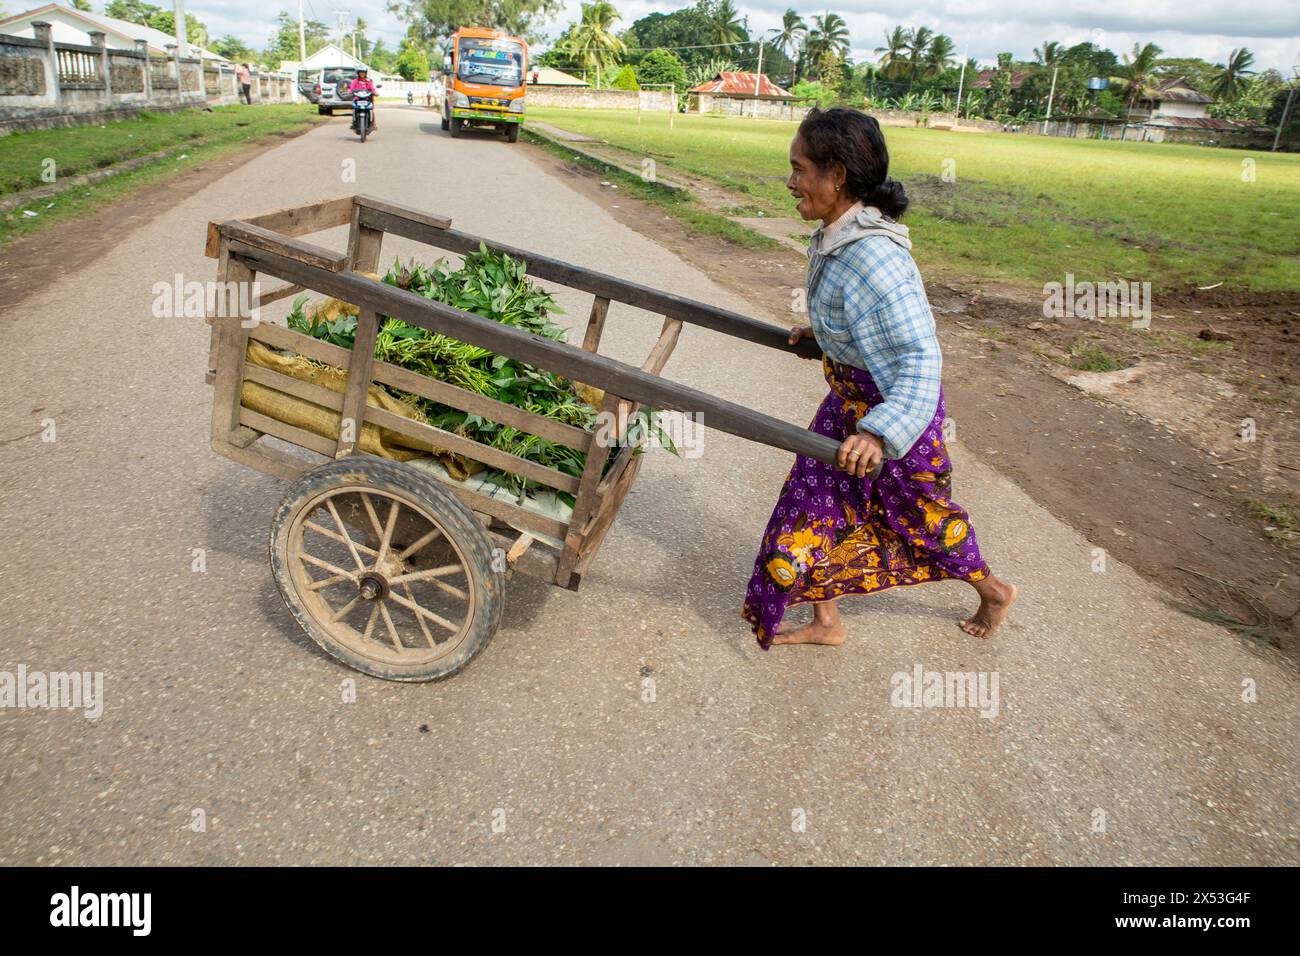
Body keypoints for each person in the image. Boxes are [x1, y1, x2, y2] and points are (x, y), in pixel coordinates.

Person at [741, 108, 1017, 649]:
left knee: (925, 522)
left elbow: (919, 360)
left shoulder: (875, 259)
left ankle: (994, 590)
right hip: (848, 403)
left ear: (837, 175)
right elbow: (863, 319)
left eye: (799, 169)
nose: (791, 182)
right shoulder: (840, 234)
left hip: (895, 417)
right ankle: (827, 621)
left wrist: (879, 433)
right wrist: (827, 337)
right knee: (810, 509)